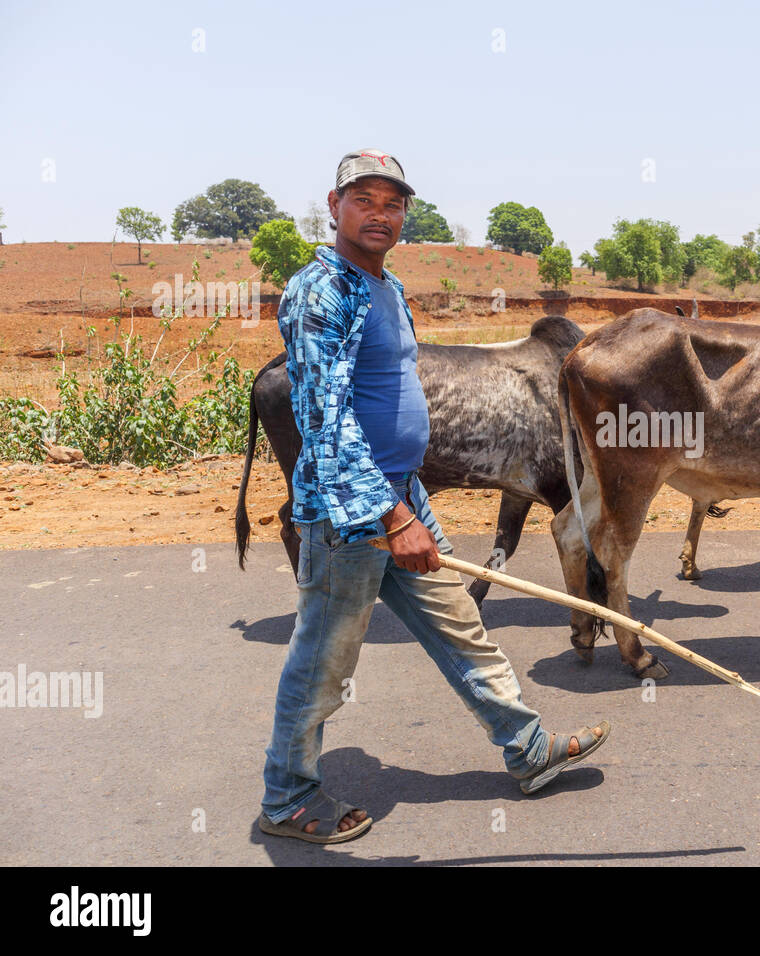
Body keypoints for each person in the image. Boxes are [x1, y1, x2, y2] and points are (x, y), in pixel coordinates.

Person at [257, 148, 608, 844]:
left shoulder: (385, 287)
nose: (380, 215)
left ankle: (527, 747)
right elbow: (326, 421)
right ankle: (288, 800)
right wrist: (392, 517)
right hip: (349, 517)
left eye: (392, 204)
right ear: (334, 207)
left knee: (460, 628)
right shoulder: (317, 293)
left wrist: (407, 501)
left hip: (401, 496)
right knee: (323, 660)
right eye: (364, 200)